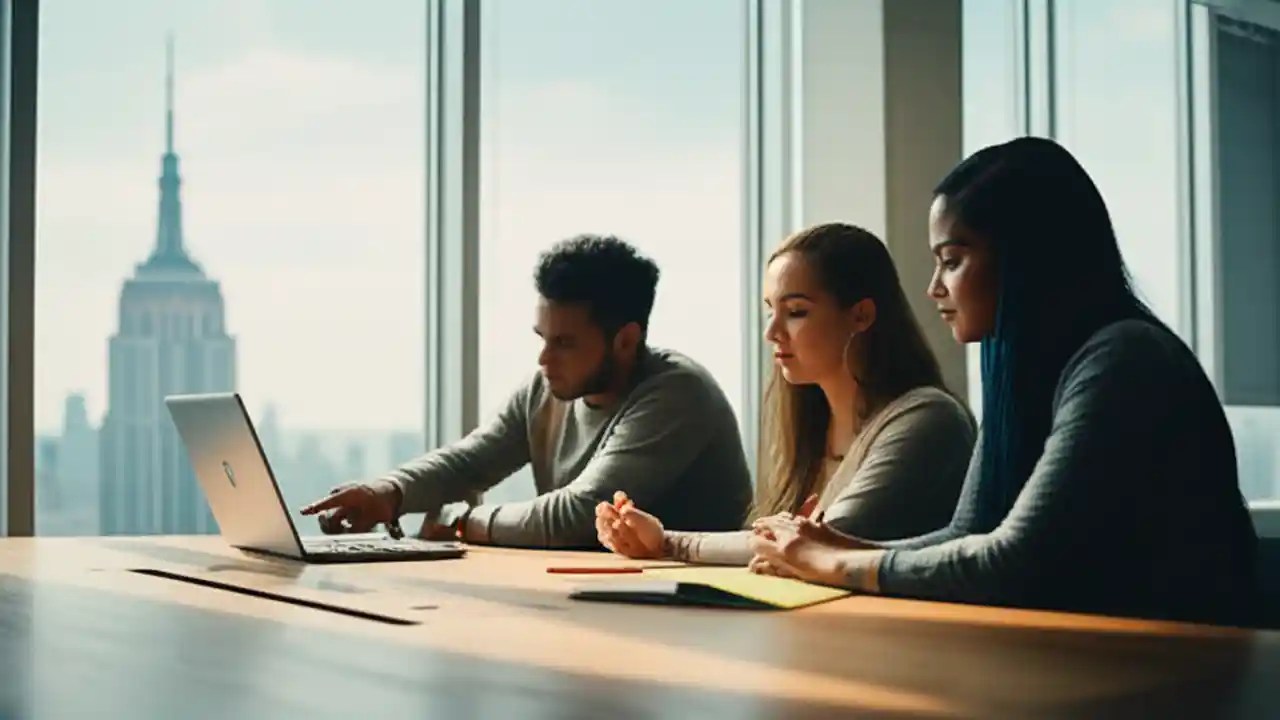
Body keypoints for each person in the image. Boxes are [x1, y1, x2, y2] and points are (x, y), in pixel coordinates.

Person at [749, 137, 1261, 626]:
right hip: (1091, 654)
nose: (933, 288)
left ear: (1027, 256)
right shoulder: (1027, 375)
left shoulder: (1122, 358)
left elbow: (1015, 560)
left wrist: (833, 563)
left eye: (951, 260)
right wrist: (843, 550)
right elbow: (968, 533)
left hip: (1182, 667)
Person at [301, 234, 752, 548]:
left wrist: (462, 522)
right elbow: (473, 459)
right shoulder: (549, 388)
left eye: (565, 343)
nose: (544, 360)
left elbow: (580, 514)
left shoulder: (676, 394)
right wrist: (388, 492)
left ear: (626, 341)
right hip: (592, 598)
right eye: (542, 338)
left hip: (690, 613)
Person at [596, 223, 975, 564]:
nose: (772, 332)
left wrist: (666, 543)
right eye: (769, 311)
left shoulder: (927, 419)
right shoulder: (810, 426)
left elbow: (813, 544)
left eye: (796, 311)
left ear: (861, 316)